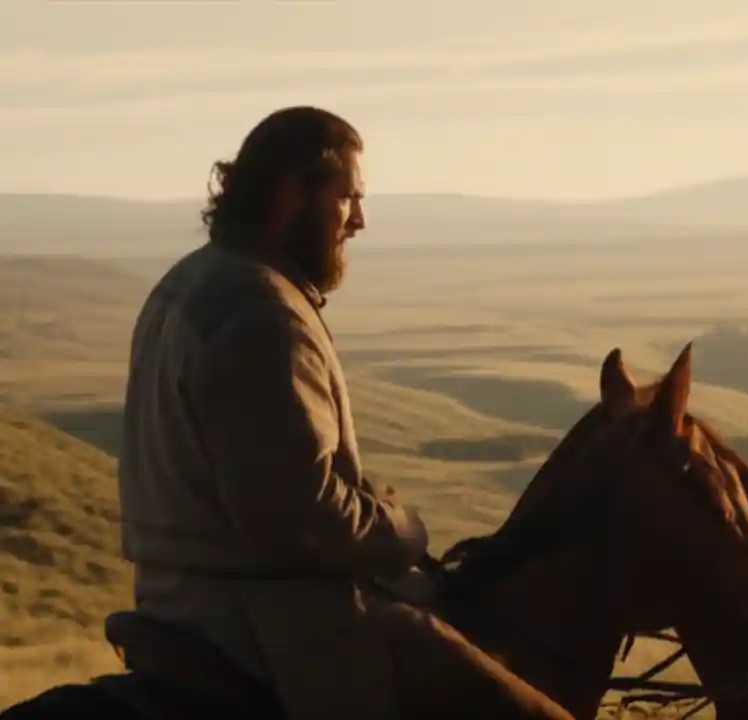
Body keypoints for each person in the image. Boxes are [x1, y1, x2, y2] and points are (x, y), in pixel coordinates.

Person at [116, 105, 571, 720]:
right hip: (270, 626)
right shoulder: (259, 311)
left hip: (185, 601)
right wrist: (403, 528)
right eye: (347, 198)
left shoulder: (190, 282)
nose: (359, 220)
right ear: (289, 193)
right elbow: (300, 518)